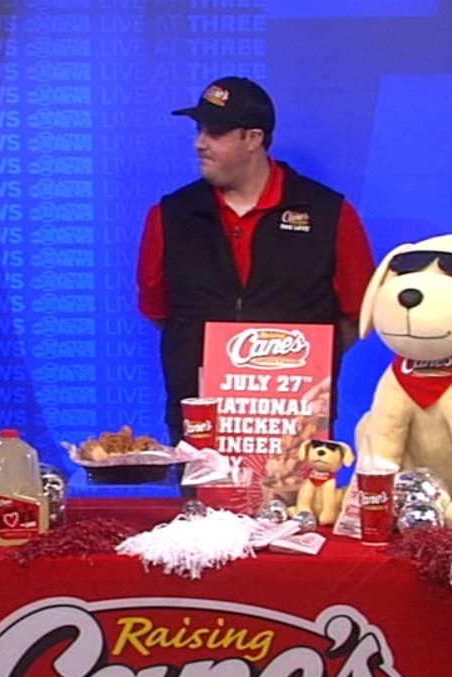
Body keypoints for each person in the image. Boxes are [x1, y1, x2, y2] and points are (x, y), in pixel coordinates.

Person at [136, 76, 377, 445]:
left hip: (295, 422)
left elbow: (359, 313)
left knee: (302, 505)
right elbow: (158, 311)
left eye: (215, 133)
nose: (200, 143)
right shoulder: (170, 215)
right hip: (200, 420)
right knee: (198, 507)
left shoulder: (329, 214)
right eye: (199, 130)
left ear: (254, 138)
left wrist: (301, 358)